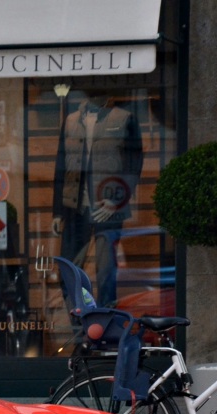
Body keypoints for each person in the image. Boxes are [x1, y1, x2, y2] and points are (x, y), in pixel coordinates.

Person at [52, 94, 143, 307]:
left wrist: (117, 201)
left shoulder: (124, 118)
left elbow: (134, 165)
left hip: (108, 208)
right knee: (69, 270)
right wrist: (57, 212)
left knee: (107, 272)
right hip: (75, 208)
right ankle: (80, 325)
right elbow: (60, 168)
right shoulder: (71, 121)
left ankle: (105, 325)